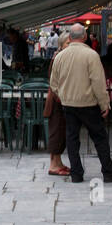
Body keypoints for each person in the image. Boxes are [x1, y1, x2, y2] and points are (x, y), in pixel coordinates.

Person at [48, 23, 112, 185]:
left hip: (69, 104)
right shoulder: (91, 55)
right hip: (89, 104)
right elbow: (98, 82)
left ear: (70, 38)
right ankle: (108, 172)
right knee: (99, 138)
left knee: (72, 139)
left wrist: (63, 95)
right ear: (85, 37)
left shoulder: (60, 56)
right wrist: (105, 104)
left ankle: (76, 173)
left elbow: (53, 83)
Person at [44, 32, 72, 176]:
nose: (70, 46)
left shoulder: (63, 57)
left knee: (61, 132)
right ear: (61, 45)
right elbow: (55, 82)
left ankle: (58, 162)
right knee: (56, 131)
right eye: (67, 43)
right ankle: (54, 165)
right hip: (57, 101)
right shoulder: (57, 59)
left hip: (61, 99)